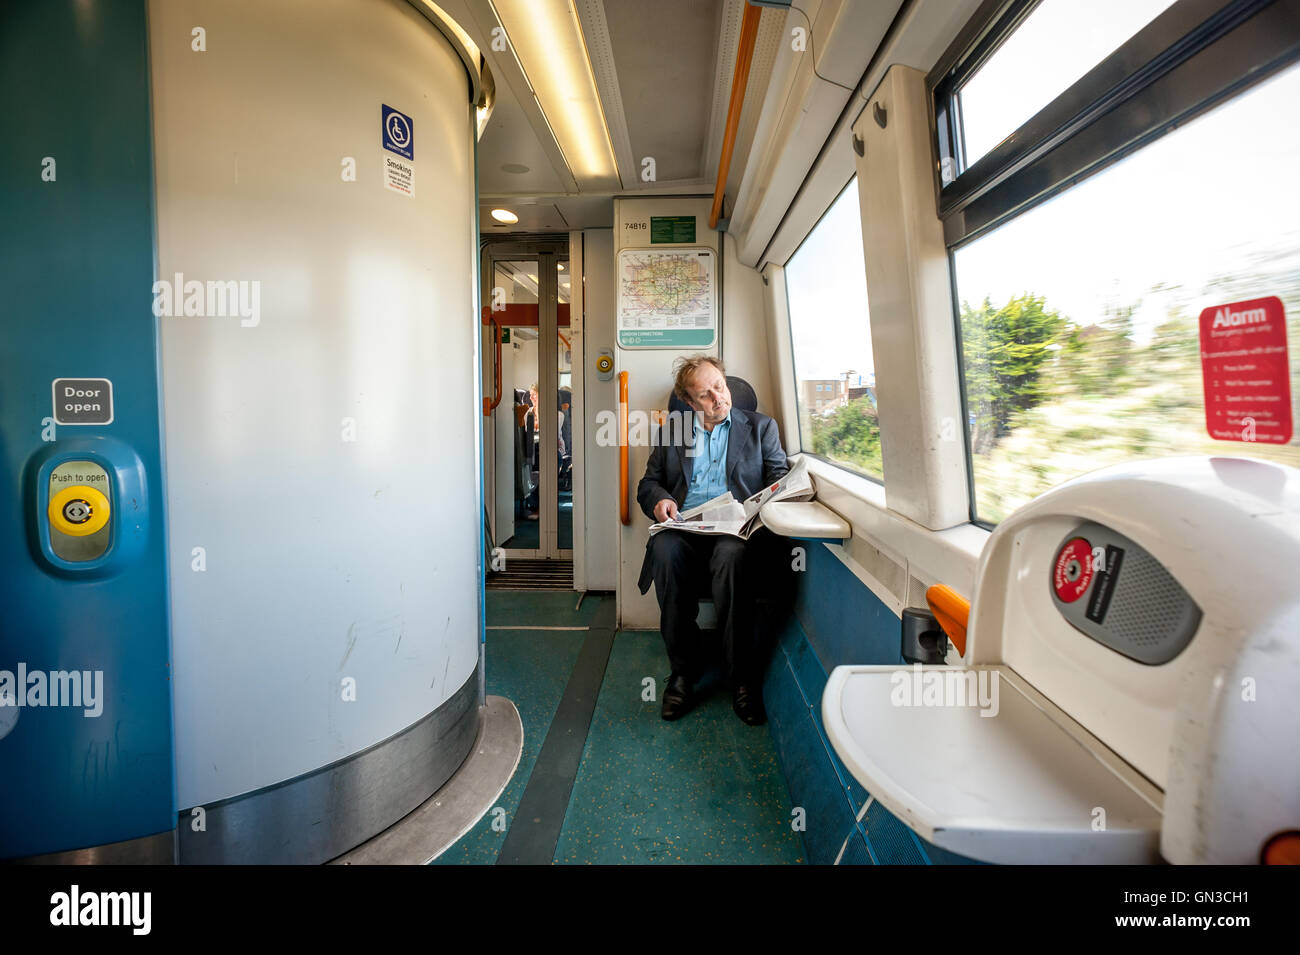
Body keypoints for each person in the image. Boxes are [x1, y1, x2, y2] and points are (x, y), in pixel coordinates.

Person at [636, 355, 789, 725]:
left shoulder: (760, 428)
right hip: (684, 528)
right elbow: (648, 484)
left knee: (732, 557)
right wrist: (661, 501)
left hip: (733, 532)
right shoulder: (674, 430)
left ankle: (741, 679)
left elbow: (779, 479)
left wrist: (757, 506)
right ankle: (683, 675)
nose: (718, 398)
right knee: (664, 550)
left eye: (719, 386)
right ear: (689, 403)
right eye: (705, 395)